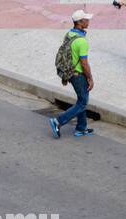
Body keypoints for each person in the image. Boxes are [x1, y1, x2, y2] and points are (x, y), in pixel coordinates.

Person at [49, 11, 95, 139]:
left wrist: (65, 76)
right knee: (82, 103)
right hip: (78, 75)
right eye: (86, 19)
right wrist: (90, 78)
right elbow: (84, 64)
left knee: (81, 100)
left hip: (70, 73)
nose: (88, 21)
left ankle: (81, 128)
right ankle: (58, 122)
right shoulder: (81, 42)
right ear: (80, 23)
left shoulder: (69, 34)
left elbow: (65, 55)